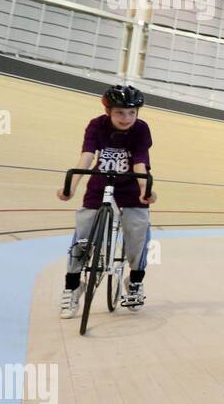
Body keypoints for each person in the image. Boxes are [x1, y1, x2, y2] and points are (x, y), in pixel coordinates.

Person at [57, 85, 155, 317]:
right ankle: (73, 287)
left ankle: (134, 282)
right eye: (120, 112)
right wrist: (70, 186)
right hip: (100, 184)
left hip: (131, 185)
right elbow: (87, 156)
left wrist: (145, 189)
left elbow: (141, 161)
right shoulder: (96, 125)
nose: (127, 118)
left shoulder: (141, 129)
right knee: (83, 232)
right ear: (108, 111)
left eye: (132, 113)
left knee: (138, 230)